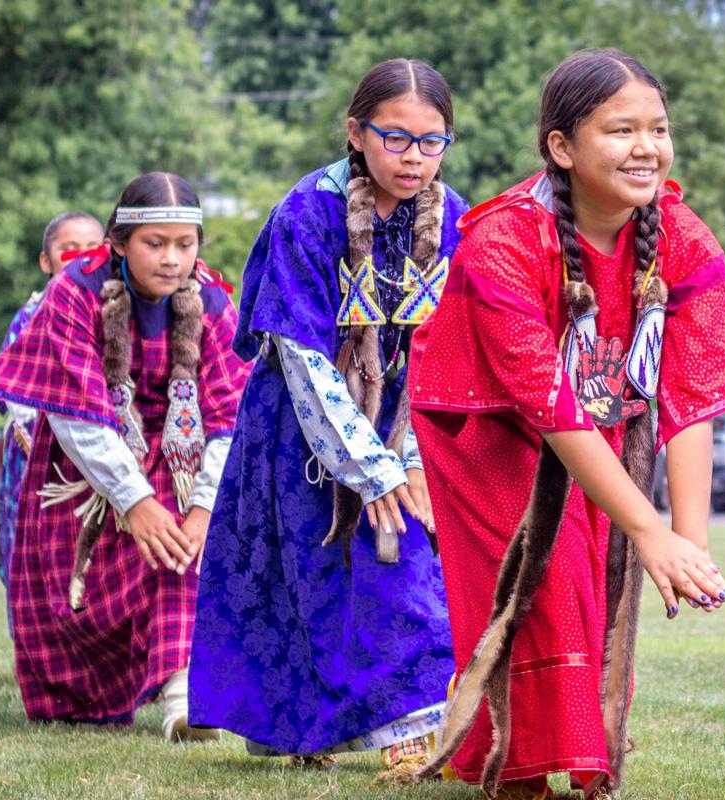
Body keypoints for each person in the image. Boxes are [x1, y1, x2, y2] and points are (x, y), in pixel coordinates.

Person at [408, 50, 725, 798]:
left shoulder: (685, 240)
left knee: (589, 596)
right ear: (562, 146)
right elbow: (546, 400)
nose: (646, 147)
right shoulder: (503, 241)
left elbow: (692, 394)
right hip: (482, 428)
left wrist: (688, 542)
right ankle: (516, 770)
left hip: (592, 418)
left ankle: (521, 746)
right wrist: (647, 529)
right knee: (545, 586)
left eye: (658, 128)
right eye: (621, 130)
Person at [187, 58, 467, 780]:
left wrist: (409, 459)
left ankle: (412, 732)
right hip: (298, 427)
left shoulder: (453, 218)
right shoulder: (308, 212)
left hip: (403, 421)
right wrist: (367, 467)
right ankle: (302, 731)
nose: (413, 157)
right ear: (355, 132)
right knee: (301, 578)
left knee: (401, 564)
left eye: (431, 141)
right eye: (395, 137)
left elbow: (445, 349)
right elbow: (301, 353)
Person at [0, 172, 250, 740]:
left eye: (185, 244)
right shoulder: (74, 291)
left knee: (180, 546)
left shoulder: (214, 302)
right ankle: (119, 684)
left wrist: (202, 508)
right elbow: (76, 410)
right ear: (119, 242)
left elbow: (229, 415)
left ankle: (185, 697)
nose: (171, 259)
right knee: (79, 627)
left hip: (182, 455)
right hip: (84, 461)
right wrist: (133, 500)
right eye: (155, 243)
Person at [0, 212, 104, 621]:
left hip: (97, 458)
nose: (81, 259)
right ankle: (32, 639)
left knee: (93, 557)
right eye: (68, 250)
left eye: (92, 250)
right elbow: (9, 390)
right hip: (35, 457)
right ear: (46, 261)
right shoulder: (30, 316)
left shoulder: (116, 313)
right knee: (29, 552)